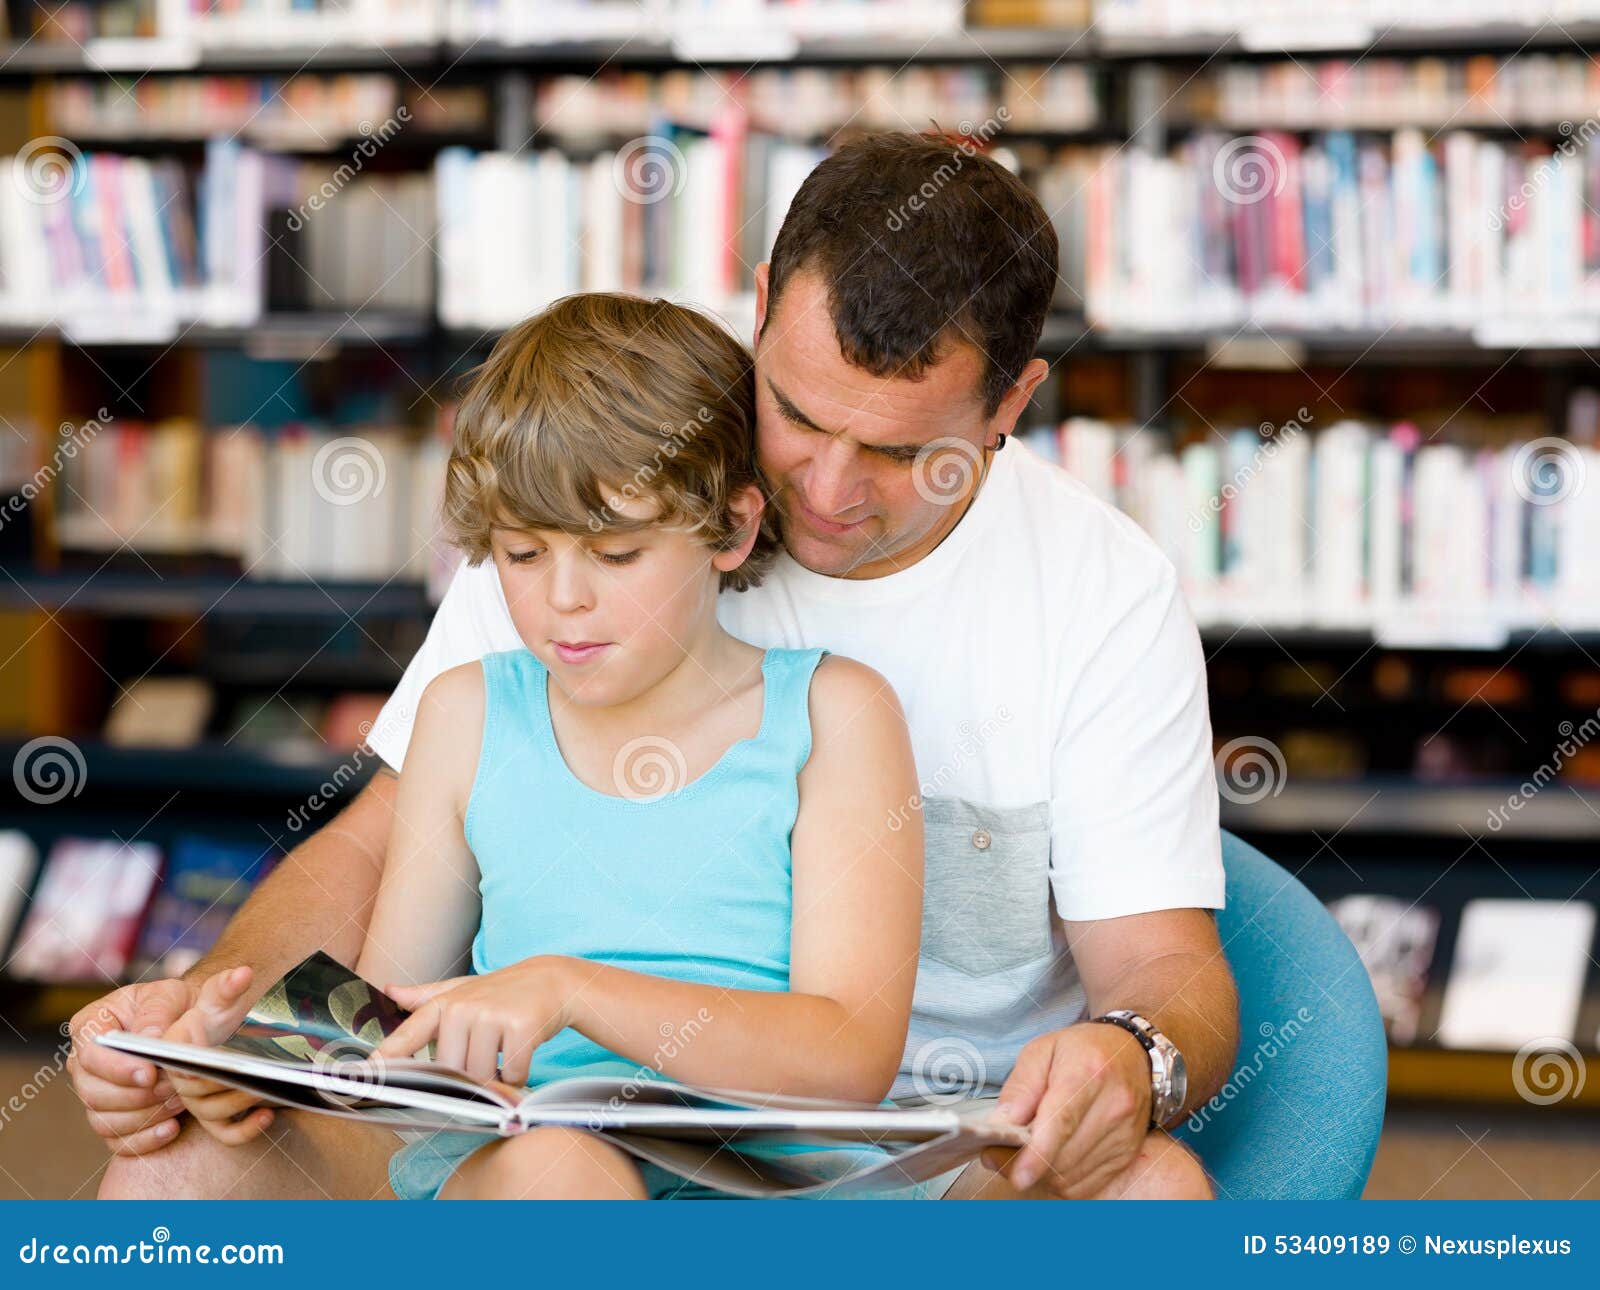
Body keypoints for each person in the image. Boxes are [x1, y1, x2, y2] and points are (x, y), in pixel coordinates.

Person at [84, 131, 1237, 1202]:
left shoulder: (1095, 594)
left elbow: (1159, 963)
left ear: (1011, 405)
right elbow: (380, 859)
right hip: (540, 1131)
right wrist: (214, 1021)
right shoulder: (600, 495)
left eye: (899, 451)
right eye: (794, 412)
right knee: (178, 1163)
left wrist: (1127, 1056)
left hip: (895, 1138)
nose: (827, 493)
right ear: (760, 314)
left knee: (1153, 1193)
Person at [160, 293, 924, 1199]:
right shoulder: (469, 714)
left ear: (732, 526)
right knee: (557, 1167)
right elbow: (389, 1018)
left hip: (776, 1183)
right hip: (527, 1168)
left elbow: (848, 1060)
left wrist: (570, 989)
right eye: (523, 556)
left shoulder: (834, 714)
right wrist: (244, 1052)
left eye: (615, 554)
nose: (564, 600)